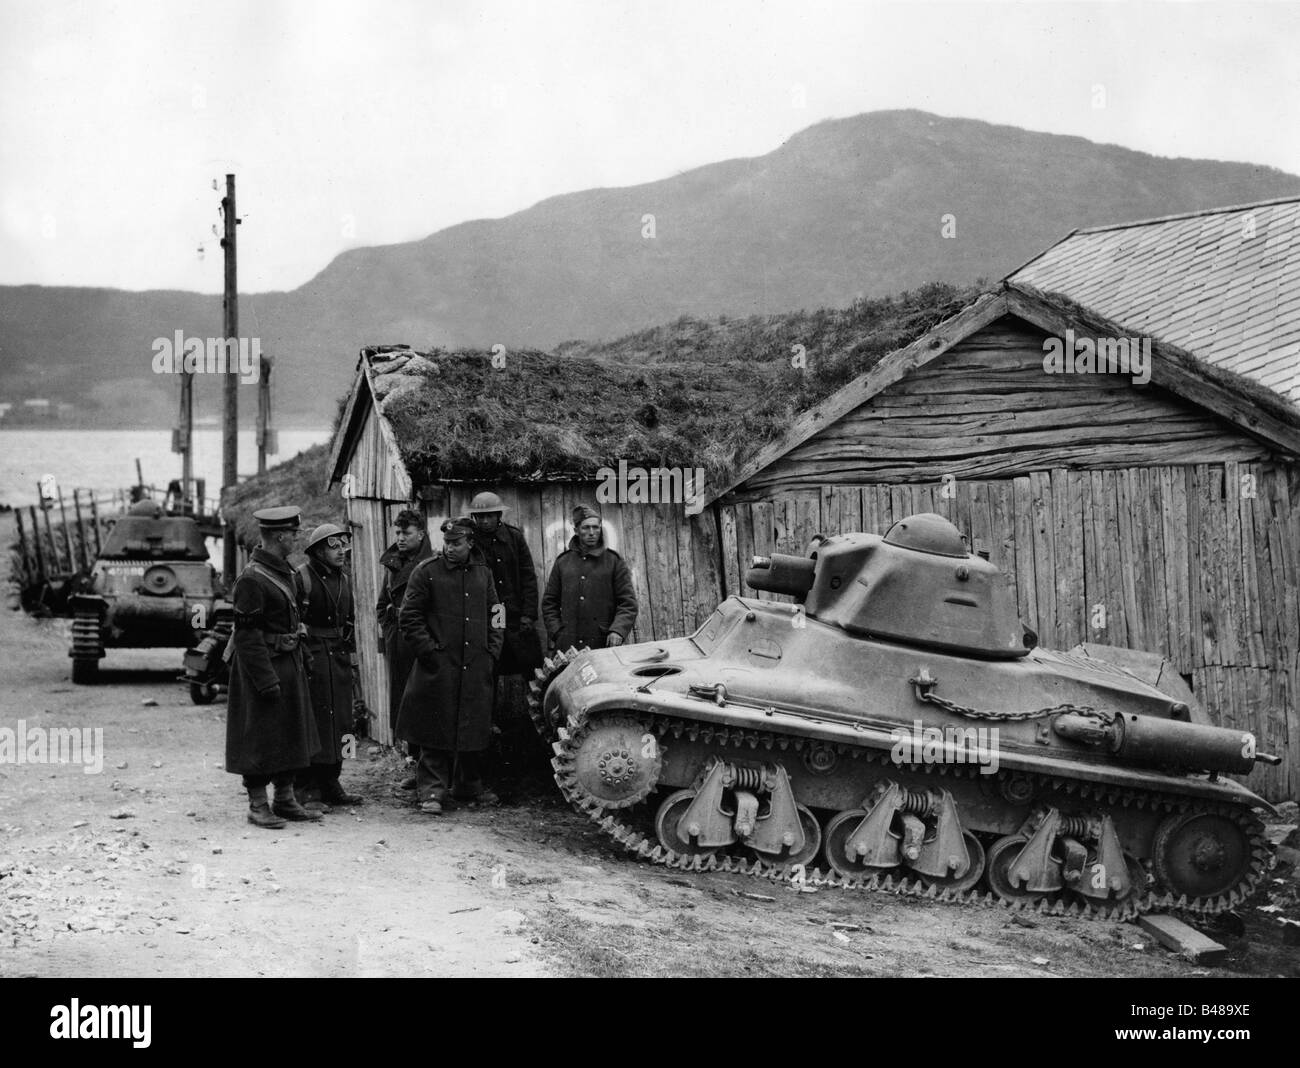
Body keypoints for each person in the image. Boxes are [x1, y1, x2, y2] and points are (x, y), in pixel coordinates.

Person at [395, 516, 504, 815]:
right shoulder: (427, 572)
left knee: (472, 729)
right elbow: (410, 618)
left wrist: (491, 651)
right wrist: (430, 653)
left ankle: (468, 786)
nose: (450, 548)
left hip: (475, 666)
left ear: (470, 543)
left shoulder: (483, 574)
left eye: (456, 543)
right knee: (434, 729)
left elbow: (497, 613)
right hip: (439, 667)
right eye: (447, 543)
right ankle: (431, 791)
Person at [224, 506, 322, 828]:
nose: (296, 537)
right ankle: (257, 804)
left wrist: (302, 657)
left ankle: (284, 798)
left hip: (287, 662)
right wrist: (265, 680)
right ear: (279, 535)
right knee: (258, 735)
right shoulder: (252, 580)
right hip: (260, 666)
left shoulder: (285, 572)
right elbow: (247, 636)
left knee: (290, 731)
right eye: (293, 533)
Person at [295, 522, 364, 811]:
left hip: (338, 656)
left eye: (342, 545)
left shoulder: (344, 579)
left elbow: (349, 621)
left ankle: (332, 781)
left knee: (342, 722)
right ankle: (307, 789)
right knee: (315, 721)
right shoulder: (301, 578)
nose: (341, 552)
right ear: (317, 551)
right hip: (312, 656)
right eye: (332, 546)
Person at [376, 508, 434, 786]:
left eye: (406, 533)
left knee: (425, 705)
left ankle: (428, 770)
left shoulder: (432, 563)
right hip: (399, 641)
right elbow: (380, 606)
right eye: (397, 532)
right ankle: (414, 765)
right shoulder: (393, 563)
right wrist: (390, 630)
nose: (400, 538)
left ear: (420, 534)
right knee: (404, 704)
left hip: (421, 644)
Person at [542, 505, 638, 652]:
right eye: (586, 528)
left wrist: (618, 630)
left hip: (602, 643)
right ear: (576, 531)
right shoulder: (563, 562)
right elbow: (549, 603)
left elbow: (628, 603)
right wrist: (557, 632)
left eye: (596, 527)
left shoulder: (613, 561)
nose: (592, 533)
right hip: (568, 644)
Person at [468, 491, 540, 678]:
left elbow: (528, 577)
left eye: (489, 516)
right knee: (491, 669)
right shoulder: (470, 542)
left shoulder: (514, 538)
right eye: (480, 517)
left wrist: (528, 615)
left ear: (498, 516)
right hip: (487, 617)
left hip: (515, 616)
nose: (484, 521)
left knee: (527, 667)